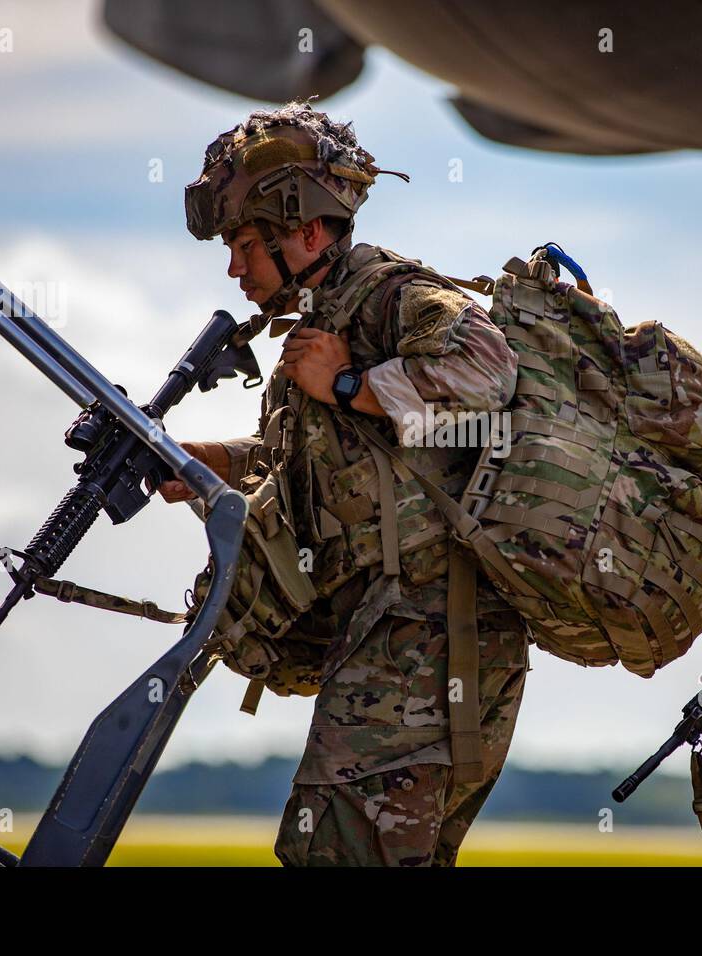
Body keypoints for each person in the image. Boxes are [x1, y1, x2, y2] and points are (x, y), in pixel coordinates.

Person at [160, 102, 528, 866]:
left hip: (427, 646)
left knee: (328, 851)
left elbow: (488, 374)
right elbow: (314, 465)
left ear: (307, 229)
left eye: (246, 242)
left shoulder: (391, 298)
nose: (235, 267)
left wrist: (350, 380)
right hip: (397, 648)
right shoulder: (322, 327)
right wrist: (204, 463)